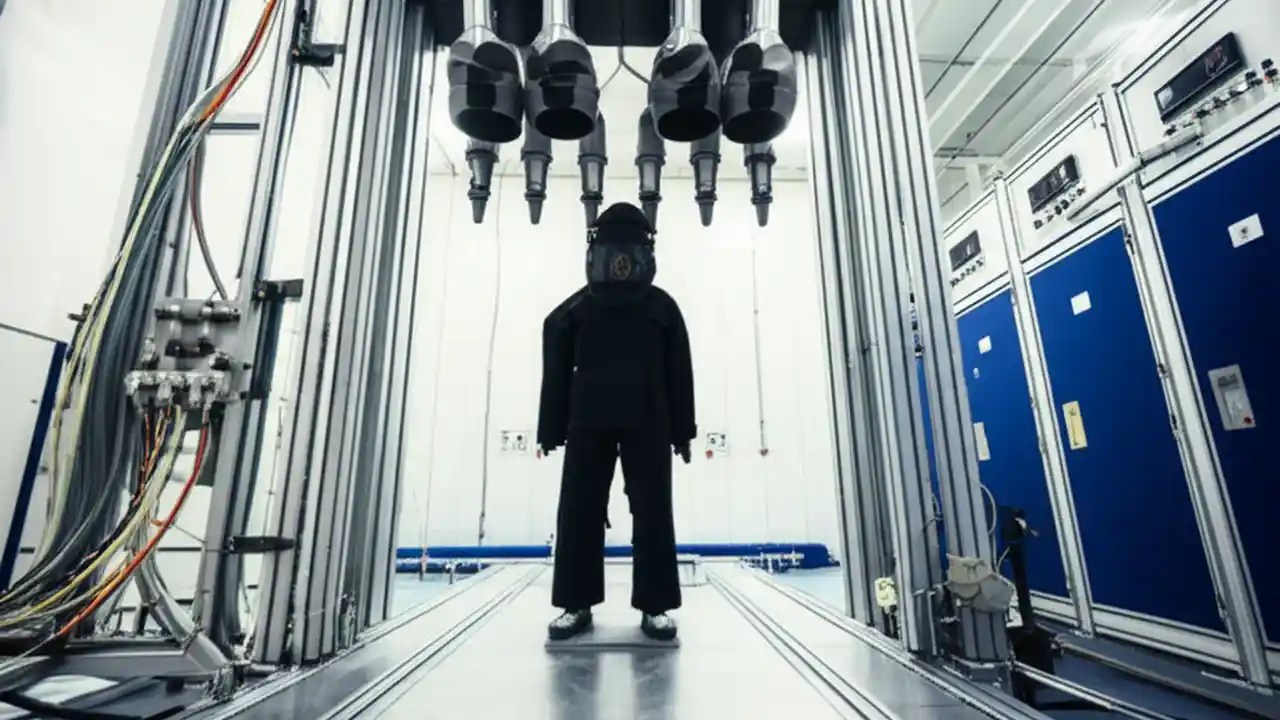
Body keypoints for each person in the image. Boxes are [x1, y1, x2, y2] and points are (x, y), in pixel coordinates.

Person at [537, 202, 696, 642]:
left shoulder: (660, 309)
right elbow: (555, 350)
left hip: (645, 420)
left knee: (650, 513)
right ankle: (578, 604)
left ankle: (652, 606)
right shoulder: (579, 310)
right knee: (581, 511)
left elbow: (678, 371)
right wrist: (552, 427)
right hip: (592, 422)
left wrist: (682, 430)